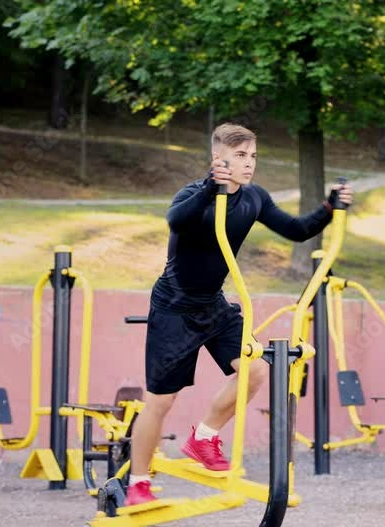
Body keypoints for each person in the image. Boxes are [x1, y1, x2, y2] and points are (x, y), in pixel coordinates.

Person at [125, 123, 353, 505]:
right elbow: (177, 221)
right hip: (174, 308)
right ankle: (137, 483)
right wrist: (212, 189)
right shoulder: (194, 195)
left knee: (256, 369)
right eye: (241, 156)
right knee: (161, 402)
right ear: (220, 159)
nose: (249, 165)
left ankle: (204, 436)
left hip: (213, 304)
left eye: (253, 157)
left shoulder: (254, 198)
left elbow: (297, 230)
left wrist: (329, 207)